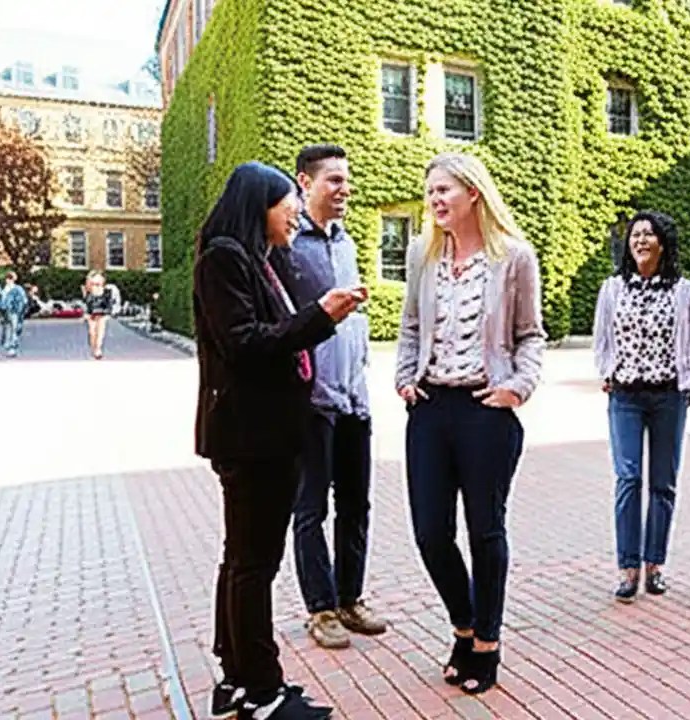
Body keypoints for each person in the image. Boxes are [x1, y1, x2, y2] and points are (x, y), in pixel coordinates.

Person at [194, 161, 366, 719]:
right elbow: (245, 345)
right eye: (286, 201)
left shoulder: (256, 260)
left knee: (241, 560)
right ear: (258, 204)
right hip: (252, 438)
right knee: (254, 564)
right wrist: (320, 316)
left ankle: (236, 678)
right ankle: (263, 691)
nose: (294, 210)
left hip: (265, 434)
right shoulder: (225, 256)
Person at [394, 152, 546, 695]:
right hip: (431, 409)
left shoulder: (514, 258)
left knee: (486, 530)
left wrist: (517, 388)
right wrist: (405, 377)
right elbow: (410, 326)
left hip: (487, 410)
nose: (434, 200)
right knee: (431, 533)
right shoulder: (422, 255)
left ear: (473, 194)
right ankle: (463, 624)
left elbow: (531, 335)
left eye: (444, 191)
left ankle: (486, 643)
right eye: (430, 191)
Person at [271, 144, 386, 649]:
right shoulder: (285, 248)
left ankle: (349, 598)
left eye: (347, 180)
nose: (345, 189)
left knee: (356, 504)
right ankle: (320, 609)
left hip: (353, 396)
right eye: (335, 180)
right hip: (311, 401)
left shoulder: (347, 242)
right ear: (305, 181)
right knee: (311, 508)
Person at [591, 210, 690, 603]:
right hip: (625, 395)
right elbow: (602, 336)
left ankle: (655, 564)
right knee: (628, 478)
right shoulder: (612, 289)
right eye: (635, 235)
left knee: (663, 482)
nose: (640, 240)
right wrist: (606, 371)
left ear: (662, 244)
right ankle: (628, 567)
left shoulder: (684, 291)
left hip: (668, 395)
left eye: (648, 234)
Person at [0, 272, 28, 358]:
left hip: (14, 312)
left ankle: (12, 347)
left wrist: (19, 310)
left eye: (9, 279)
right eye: (7, 279)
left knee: (14, 329)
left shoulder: (17, 289)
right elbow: (1, 300)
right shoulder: (5, 289)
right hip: (5, 312)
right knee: (6, 329)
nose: (7, 280)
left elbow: (24, 301)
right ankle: (8, 346)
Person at [83, 270, 112, 359]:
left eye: (99, 282)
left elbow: (108, 303)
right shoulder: (88, 291)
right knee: (92, 332)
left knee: (100, 333)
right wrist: (86, 314)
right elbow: (86, 303)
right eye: (95, 282)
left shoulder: (107, 291)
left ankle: (98, 349)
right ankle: (94, 347)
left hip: (102, 314)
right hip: (91, 314)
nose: (97, 284)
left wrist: (108, 313)